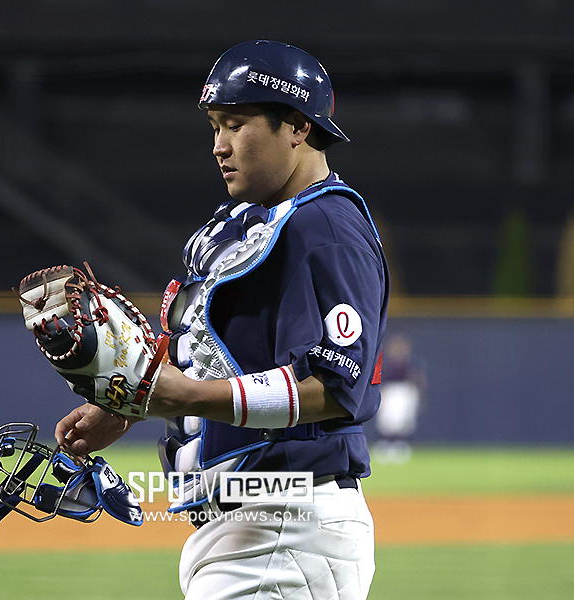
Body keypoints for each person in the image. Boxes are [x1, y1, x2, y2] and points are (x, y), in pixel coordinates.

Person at [55, 40, 389, 599]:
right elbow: (217, 356)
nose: (219, 145)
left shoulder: (326, 225)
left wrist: (185, 397)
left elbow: (337, 387)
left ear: (298, 127)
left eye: (236, 123)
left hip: (287, 520)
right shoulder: (245, 225)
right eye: (214, 126)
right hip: (250, 525)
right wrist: (132, 404)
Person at [371, 333, 425, 464]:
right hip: (389, 390)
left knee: (402, 421)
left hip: (403, 390)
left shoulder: (410, 363)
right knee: (387, 421)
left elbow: (417, 379)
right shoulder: (386, 362)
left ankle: (400, 445)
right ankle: (384, 445)